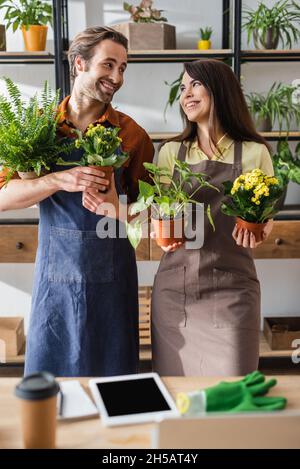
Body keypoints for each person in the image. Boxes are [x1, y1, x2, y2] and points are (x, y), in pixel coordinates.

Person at [0, 26, 154, 377]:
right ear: (80, 63)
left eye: (123, 68)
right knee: (51, 390)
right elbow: (3, 197)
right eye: (109, 65)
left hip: (114, 280)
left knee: (116, 386)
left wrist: (117, 209)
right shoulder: (39, 128)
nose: (117, 77)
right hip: (54, 279)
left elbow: (150, 213)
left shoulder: (132, 135)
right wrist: (59, 179)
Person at [151, 59, 274, 376]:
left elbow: (265, 214)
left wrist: (260, 229)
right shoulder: (169, 153)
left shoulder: (253, 151)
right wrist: (158, 229)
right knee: (177, 396)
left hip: (233, 290)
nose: (186, 94)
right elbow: (159, 209)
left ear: (219, 88)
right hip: (175, 293)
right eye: (182, 88)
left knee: (235, 390)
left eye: (195, 84)